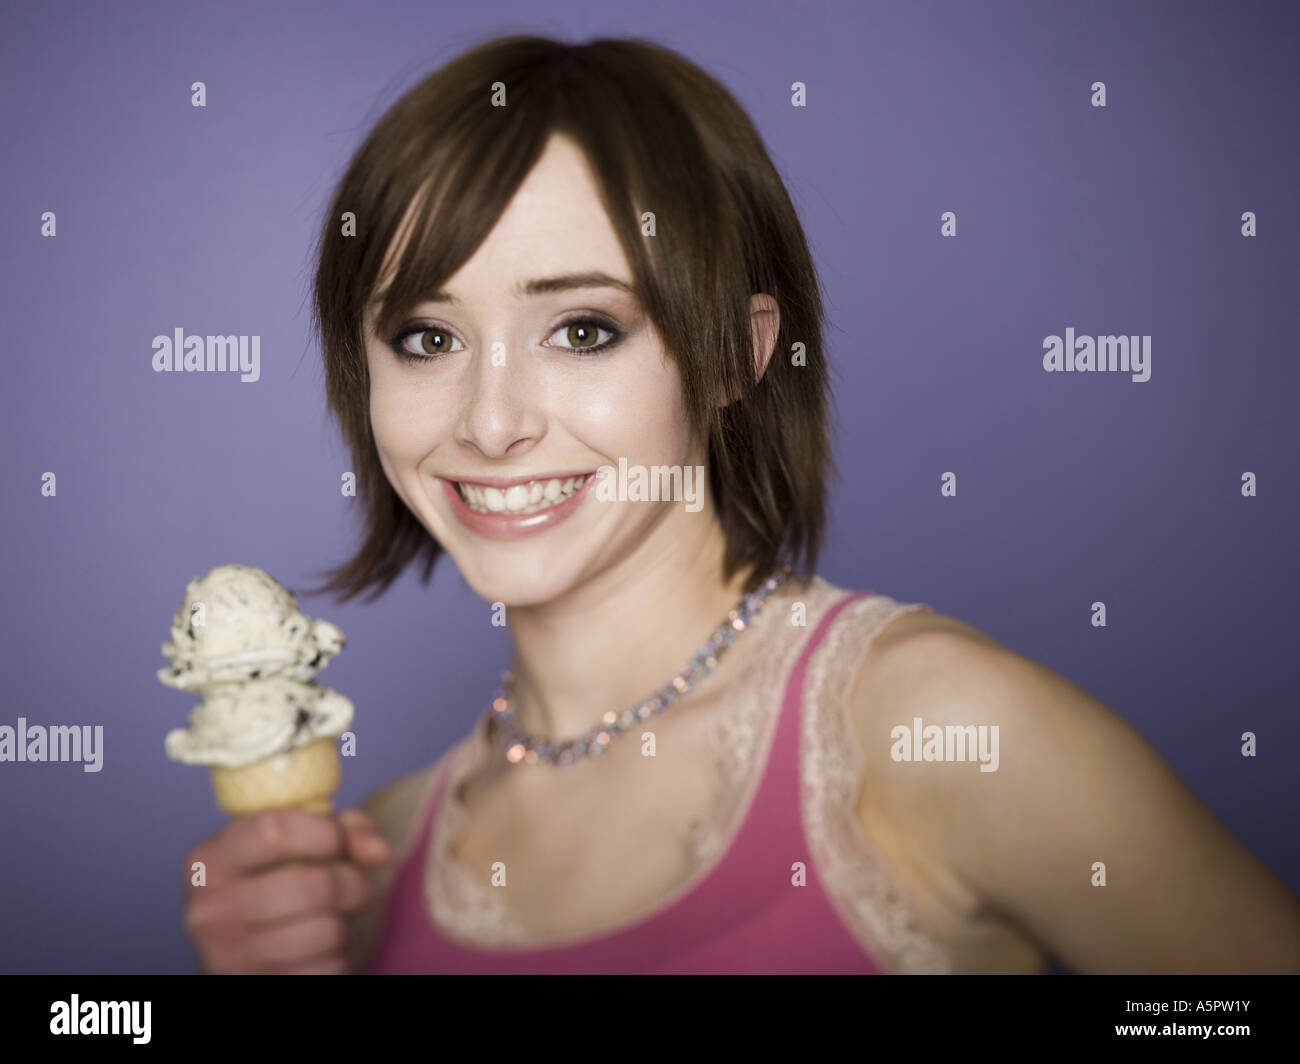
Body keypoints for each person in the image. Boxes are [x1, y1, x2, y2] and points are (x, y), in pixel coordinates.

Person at [180, 35, 1300, 975]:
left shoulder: (941, 731)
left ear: (733, 353)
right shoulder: (365, 861)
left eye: (582, 329)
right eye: (427, 337)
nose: (488, 421)